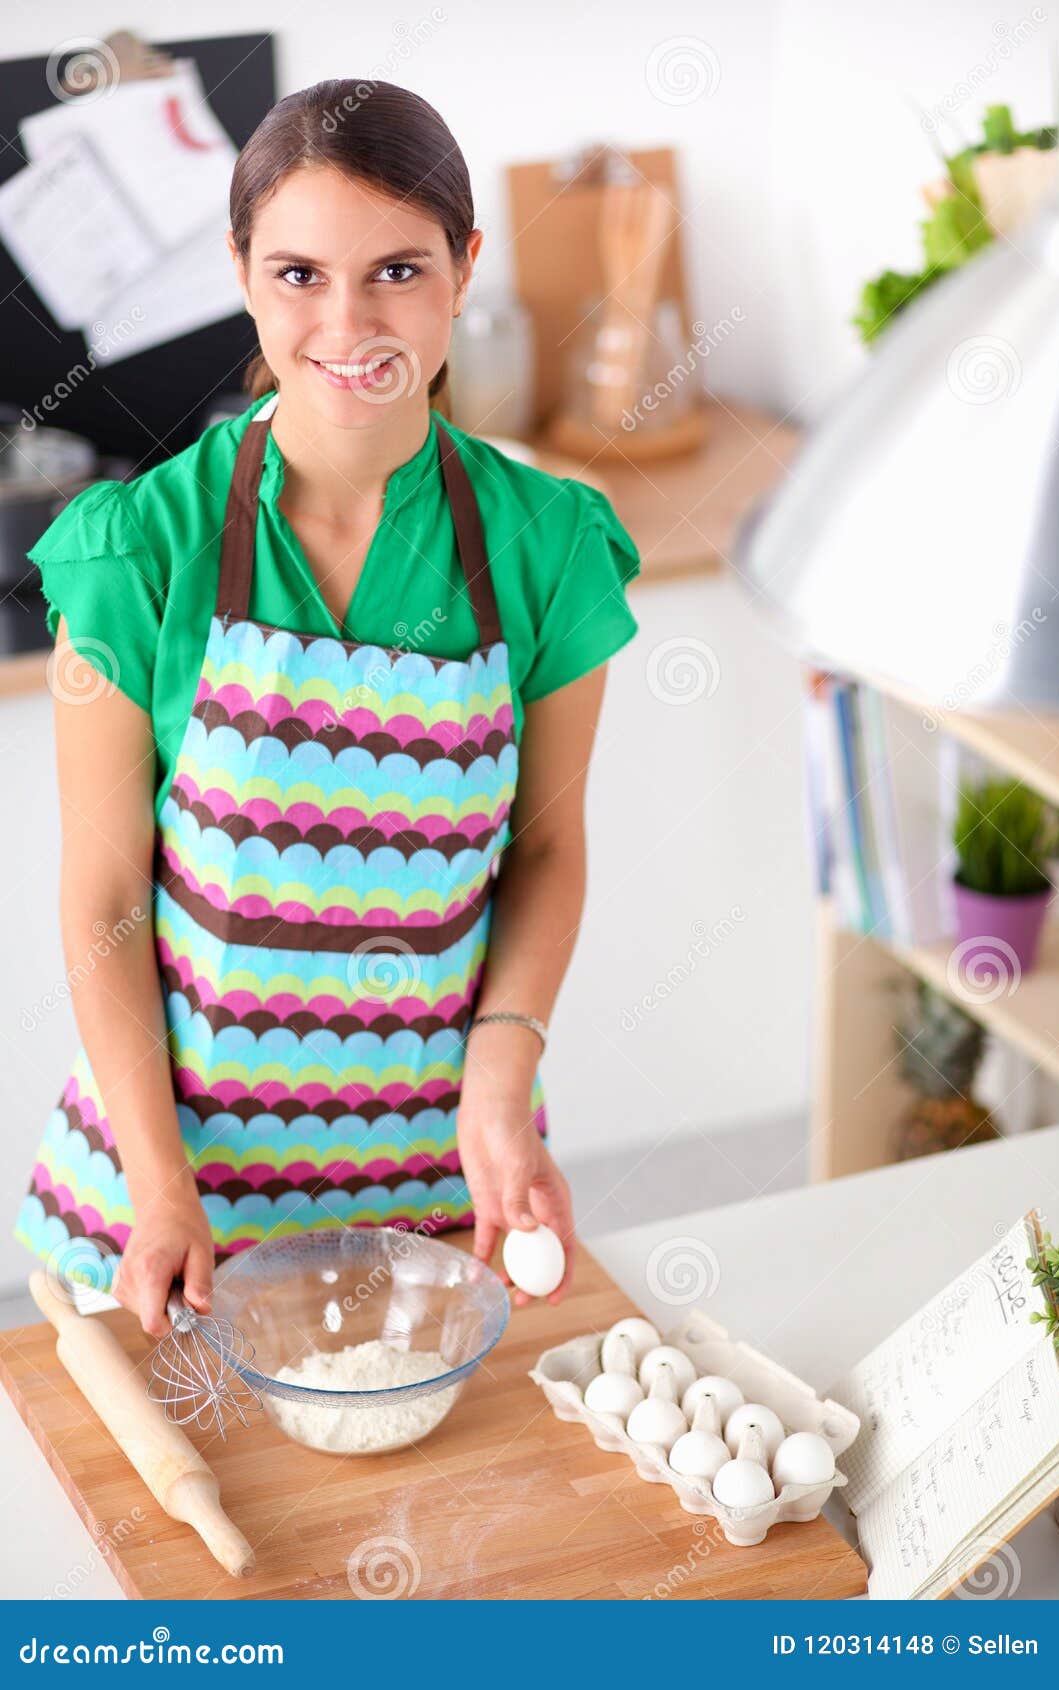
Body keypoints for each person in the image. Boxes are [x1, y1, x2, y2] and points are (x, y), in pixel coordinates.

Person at [14, 79, 641, 1338]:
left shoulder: (547, 546)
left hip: (442, 1185)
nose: (348, 321)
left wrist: (499, 1086)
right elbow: (103, 900)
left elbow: (549, 847)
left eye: (397, 269)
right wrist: (157, 1182)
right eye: (298, 273)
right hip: (165, 1188)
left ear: (464, 270)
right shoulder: (139, 553)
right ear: (241, 270)